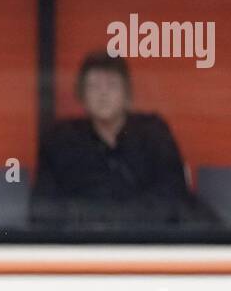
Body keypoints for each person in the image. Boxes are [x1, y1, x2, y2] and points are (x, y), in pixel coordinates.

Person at [30, 51, 217, 228]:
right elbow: (46, 208)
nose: (103, 94)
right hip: (84, 251)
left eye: (112, 85)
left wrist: (116, 219)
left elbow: (171, 196)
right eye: (93, 86)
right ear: (82, 95)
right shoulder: (61, 141)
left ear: (127, 94)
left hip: (150, 245)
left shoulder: (153, 135)